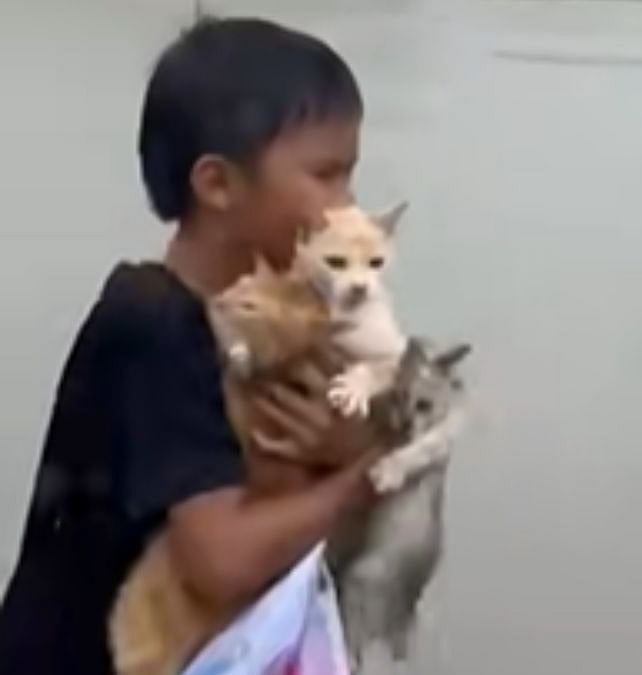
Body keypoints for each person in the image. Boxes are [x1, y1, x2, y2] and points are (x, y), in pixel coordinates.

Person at [0, 19, 391, 673]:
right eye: (326, 175)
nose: (348, 208)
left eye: (348, 177)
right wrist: (366, 480)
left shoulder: (276, 330)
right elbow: (220, 561)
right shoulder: (153, 326)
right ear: (217, 185)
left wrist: (345, 449)